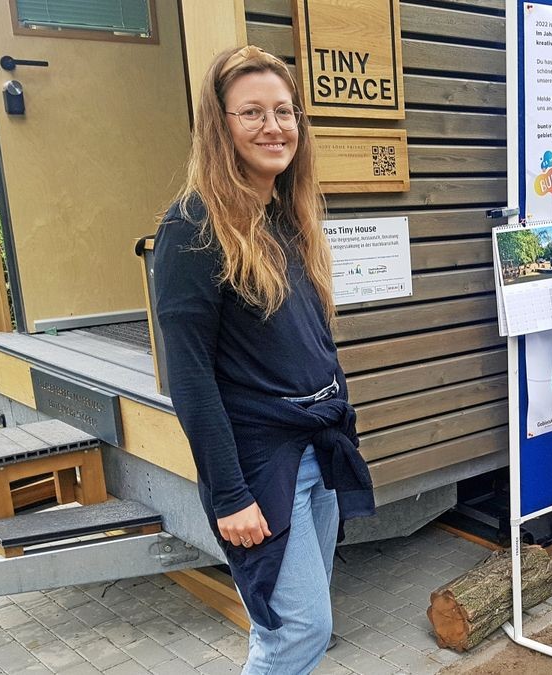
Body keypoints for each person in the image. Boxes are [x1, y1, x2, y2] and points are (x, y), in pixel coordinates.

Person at [153, 45, 374, 674]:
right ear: (219, 127)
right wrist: (228, 495)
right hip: (259, 463)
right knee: (297, 631)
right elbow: (189, 377)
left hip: (317, 445)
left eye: (284, 111)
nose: (274, 126)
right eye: (251, 113)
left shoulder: (283, 214)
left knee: (294, 626)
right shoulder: (193, 229)